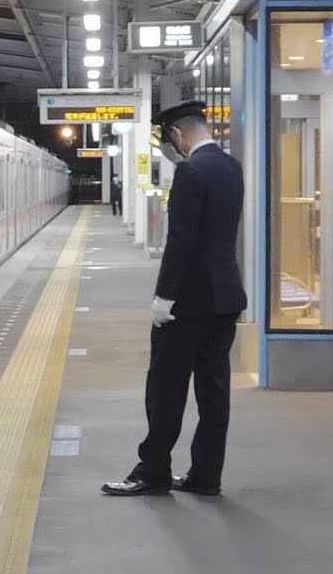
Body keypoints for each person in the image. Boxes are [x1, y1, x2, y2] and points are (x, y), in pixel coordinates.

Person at [102, 100, 247, 497]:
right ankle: (205, 476)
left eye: (170, 140)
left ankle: (153, 471)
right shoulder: (231, 168)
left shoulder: (191, 171)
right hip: (225, 298)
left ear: (178, 135)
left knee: (166, 389)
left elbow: (180, 241)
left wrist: (164, 298)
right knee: (214, 391)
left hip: (188, 303)